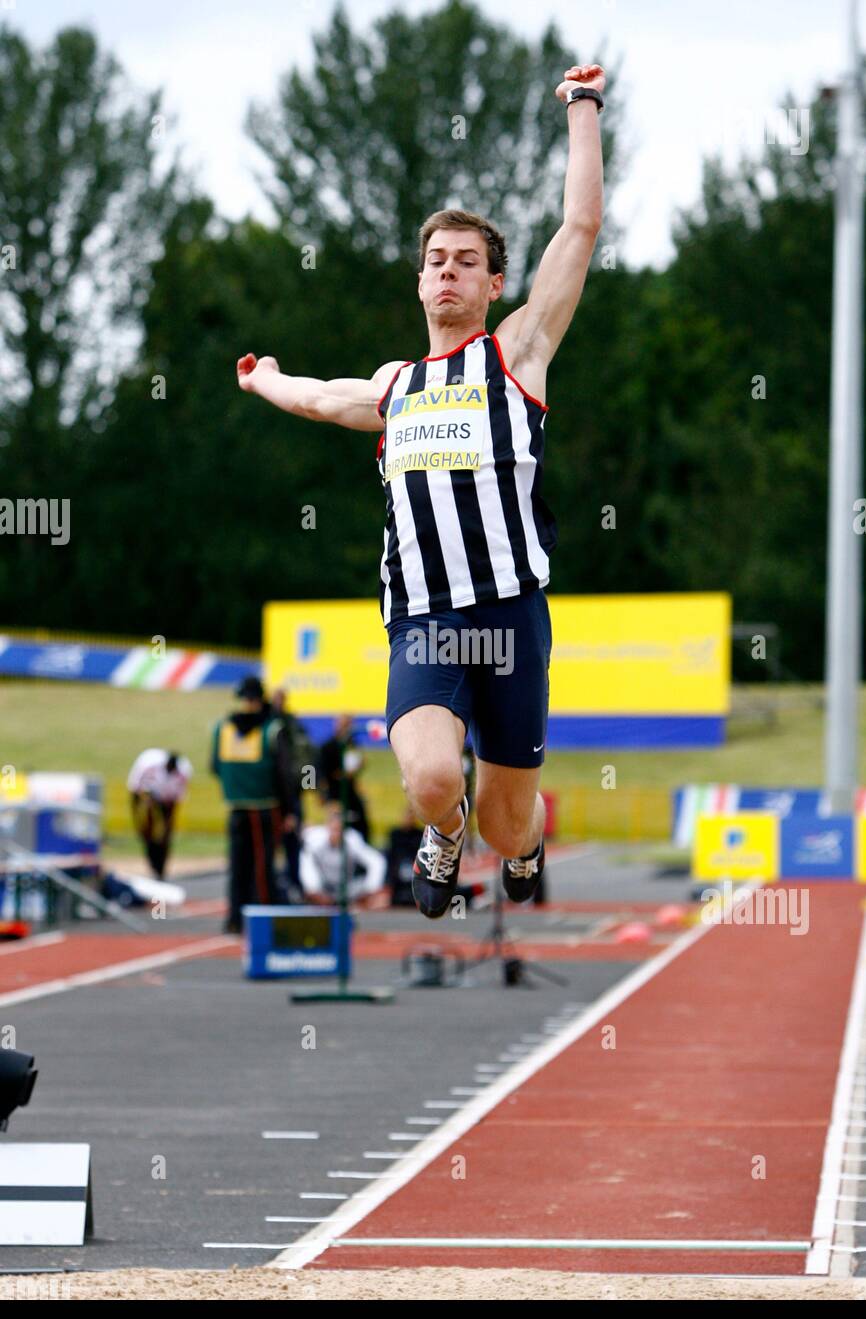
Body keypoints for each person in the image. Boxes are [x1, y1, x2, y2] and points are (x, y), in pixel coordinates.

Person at [237, 63, 604, 918]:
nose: (447, 273)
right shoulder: (396, 385)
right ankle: (444, 832)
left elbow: (579, 226)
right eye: (434, 261)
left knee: (512, 831)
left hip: (511, 613)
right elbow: (324, 400)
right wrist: (265, 381)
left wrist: (582, 104)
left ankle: (515, 841)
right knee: (435, 776)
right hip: (425, 619)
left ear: (492, 285)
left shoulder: (517, 353)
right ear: (418, 280)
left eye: (466, 263)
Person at [210, 675, 299, 933]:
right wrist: (289, 810)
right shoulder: (273, 729)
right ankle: (264, 921)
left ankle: (235, 919)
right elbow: (284, 774)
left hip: (235, 806)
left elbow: (214, 766)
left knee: (237, 866)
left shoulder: (222, 728)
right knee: (263, 867)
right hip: (265, 807)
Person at [270, 686, 318, 895]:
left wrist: (309, 786)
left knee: (293, 842)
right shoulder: (267, 724)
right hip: (271, 794)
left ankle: (293, 883)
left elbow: (308, 759)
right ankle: (273, 885)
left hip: (292, 793)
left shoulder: (293, 725)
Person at [299, 801, 386, 906]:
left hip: (347, 890)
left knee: (380, 899)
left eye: (340, 824)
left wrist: (370, 889)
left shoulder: (352, 839)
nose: (336, 828)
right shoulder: (314, 837)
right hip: (322, 889)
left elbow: (377, 861)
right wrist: (313, 889)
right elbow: (306, 862)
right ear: (327, 824)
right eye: (333, 822)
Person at [126, 749, 192, 880]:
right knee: (147, 831)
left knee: (165, 836)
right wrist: (139, 824)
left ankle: (161, 866)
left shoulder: (183, 772)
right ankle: (152, 861)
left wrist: (167, 829)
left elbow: (175, 804)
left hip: (165, 798)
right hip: (148, 793)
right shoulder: (148, 765)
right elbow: (135, 793)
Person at [319, 715, 370, 842]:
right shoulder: (327, 747)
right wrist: (323, 797)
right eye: (344, 725)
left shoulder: (351, 745)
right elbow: (313, 772)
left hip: (350, 794)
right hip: (334, 795)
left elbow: (353, 771)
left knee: (360, 824)